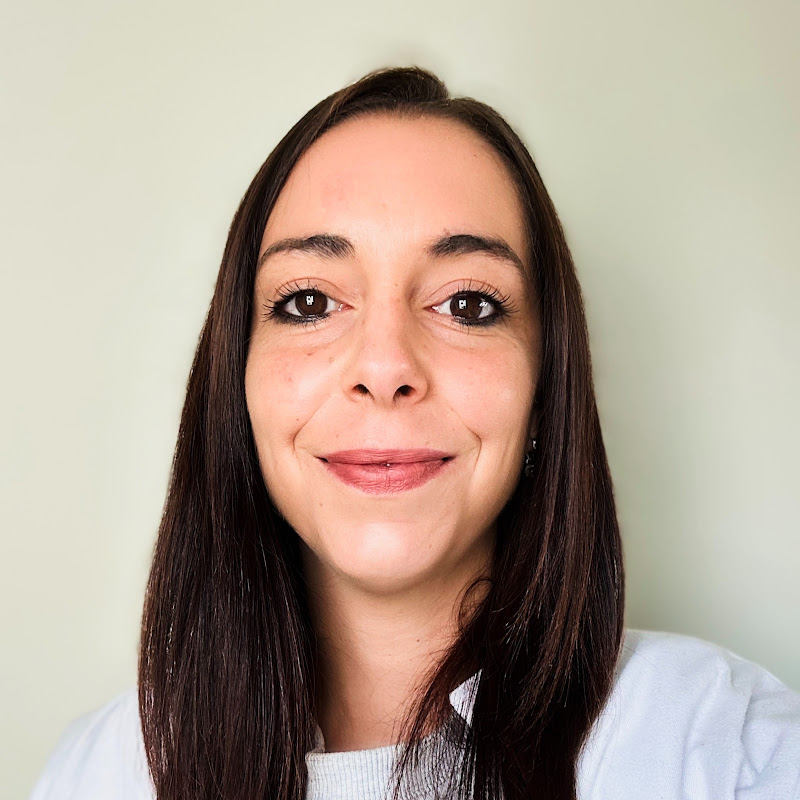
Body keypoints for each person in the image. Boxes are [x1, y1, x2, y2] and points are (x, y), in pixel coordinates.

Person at [29, 67, 800, 800]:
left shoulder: (724, 749)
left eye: (468, 305)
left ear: (545, 390)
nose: (385, 366)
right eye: (308, 303)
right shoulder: (99, 774)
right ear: (237, 381)